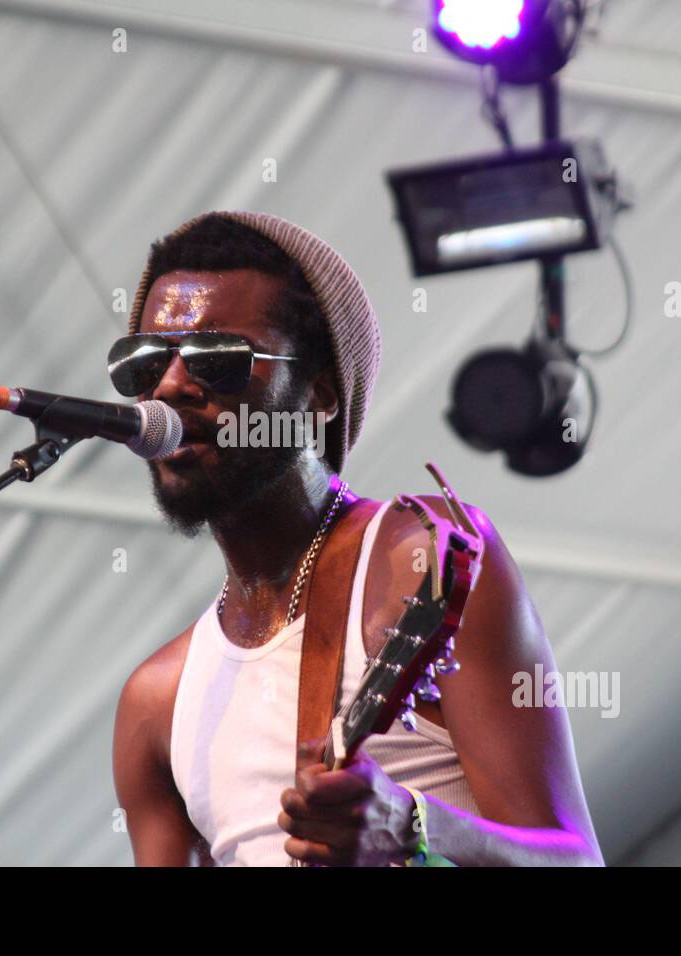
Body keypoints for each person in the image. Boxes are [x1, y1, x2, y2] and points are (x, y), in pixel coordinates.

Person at [111, 211, 603, 867]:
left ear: (319, 395)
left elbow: (575, 862)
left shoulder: (419, 559)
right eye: (146, 362)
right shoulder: (158, 701)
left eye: (217, 360)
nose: (170, 387)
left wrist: (414, 825)